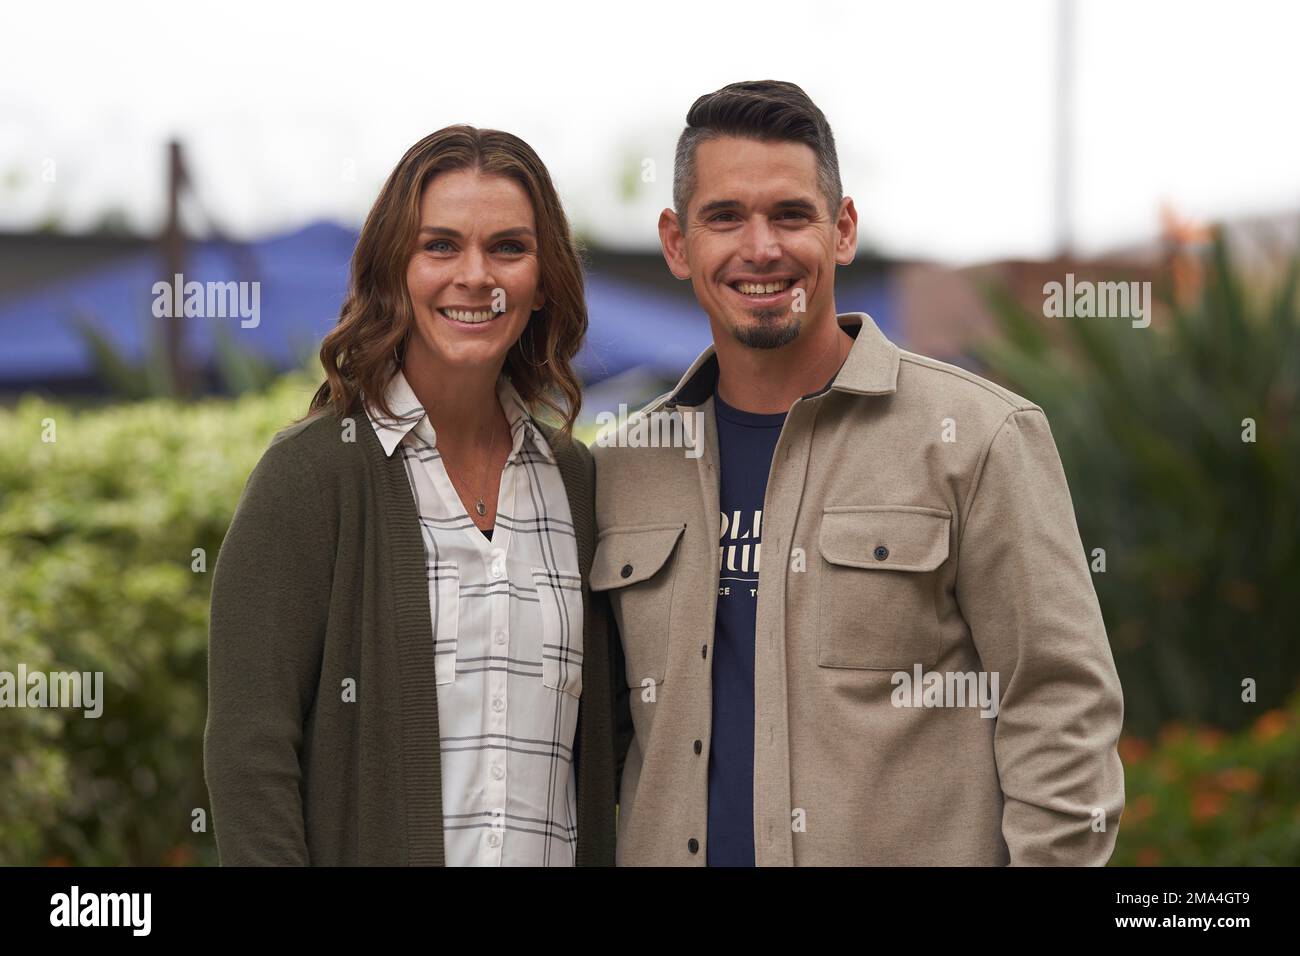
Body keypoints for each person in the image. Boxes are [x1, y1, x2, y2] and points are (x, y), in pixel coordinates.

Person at [593, 80, 1125, 866]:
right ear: (678, 243)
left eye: (791, 214)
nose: (761, 248)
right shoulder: (622, 469)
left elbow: (1059, 706)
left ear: (842, 230)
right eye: (726, 217)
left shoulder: (979, 440)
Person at [204, 125, 616, 866]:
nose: (475, 275)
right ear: (395, 269)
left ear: (545, 278)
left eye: (509, 248)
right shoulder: (312, 476)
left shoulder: (578, 484)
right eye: (440, 246)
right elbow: (249, 755)